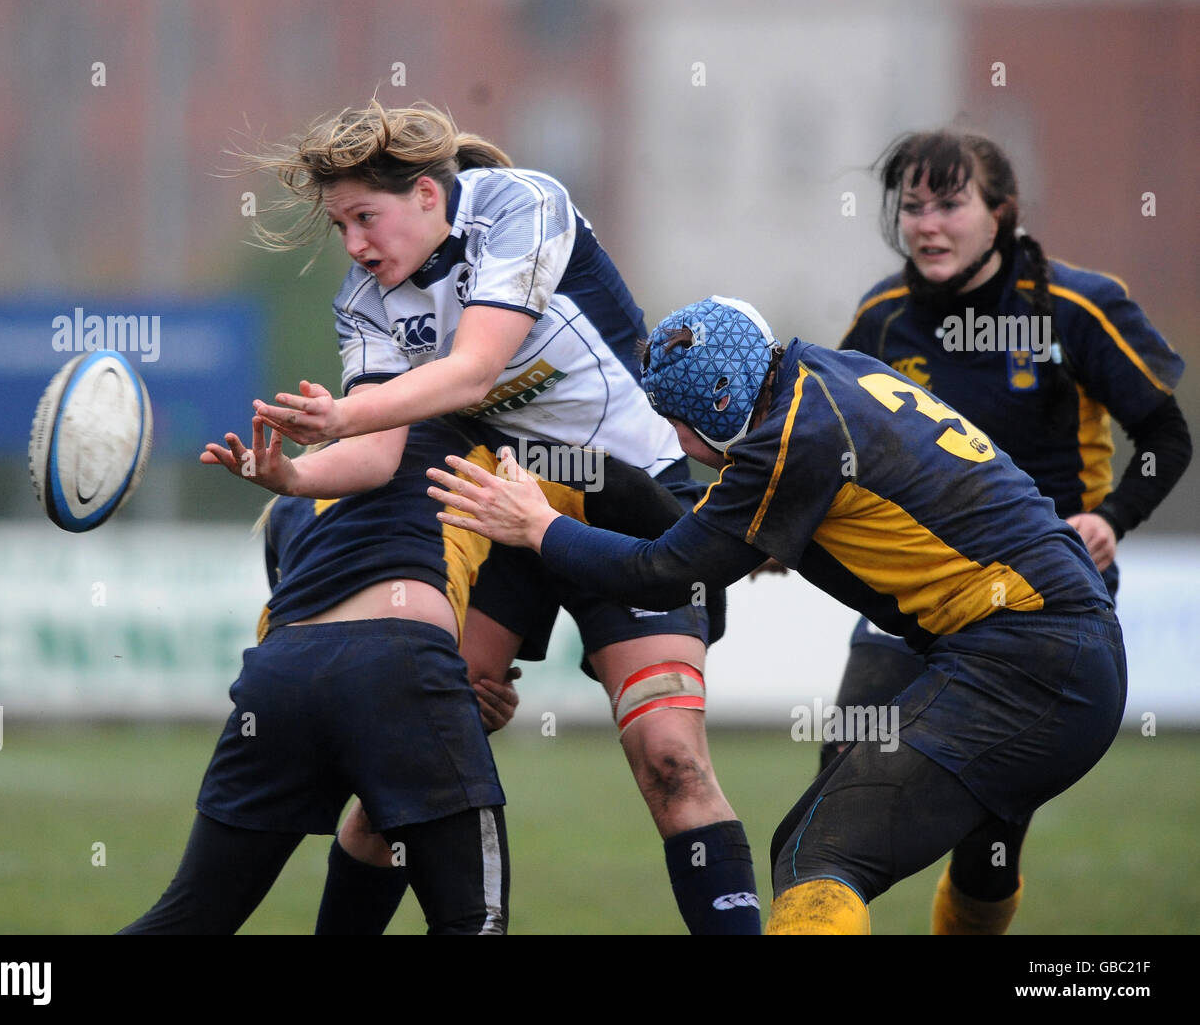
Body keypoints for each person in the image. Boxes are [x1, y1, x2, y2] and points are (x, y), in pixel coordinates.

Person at [426, 295, 1129, 935]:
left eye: (678, 418)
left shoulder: (791, 440)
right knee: (869, 843)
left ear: (721, 403)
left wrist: (538, 527)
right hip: (1048, 647)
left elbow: (667, 571)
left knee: (820, 855)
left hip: (1029, 661)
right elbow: (763, 515)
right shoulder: (827, 376)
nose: (675, 439)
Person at [240, 100, 761, 934]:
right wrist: (292, 473)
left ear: (425, 194)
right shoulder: (366, 300)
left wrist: (343, 415)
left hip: (626, 499)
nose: (354, 245)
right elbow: (376, 455)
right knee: (401, 765)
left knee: (670, 762)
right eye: (340, 226)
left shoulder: (521, 203)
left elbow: (474, 373)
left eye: (364, 218)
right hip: (499, 503)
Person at [825, 131, 1189, 931]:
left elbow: (1168, 437)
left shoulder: (1074, 305)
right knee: (843, 774)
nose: (927, 225)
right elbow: (827, 443)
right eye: (912, 207)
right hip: (913, 593)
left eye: (950, 204)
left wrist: (1112, 517)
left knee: (986, 839)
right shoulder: (883, 319)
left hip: (1043, 606)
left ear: (1002, 213)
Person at [120, 414, 511, 935]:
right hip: (399, 665)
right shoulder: (484, 450)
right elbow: (604, 497)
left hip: (281, 674)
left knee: (191, 918)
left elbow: (284, 613)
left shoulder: (284, 503)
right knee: (472, 921)